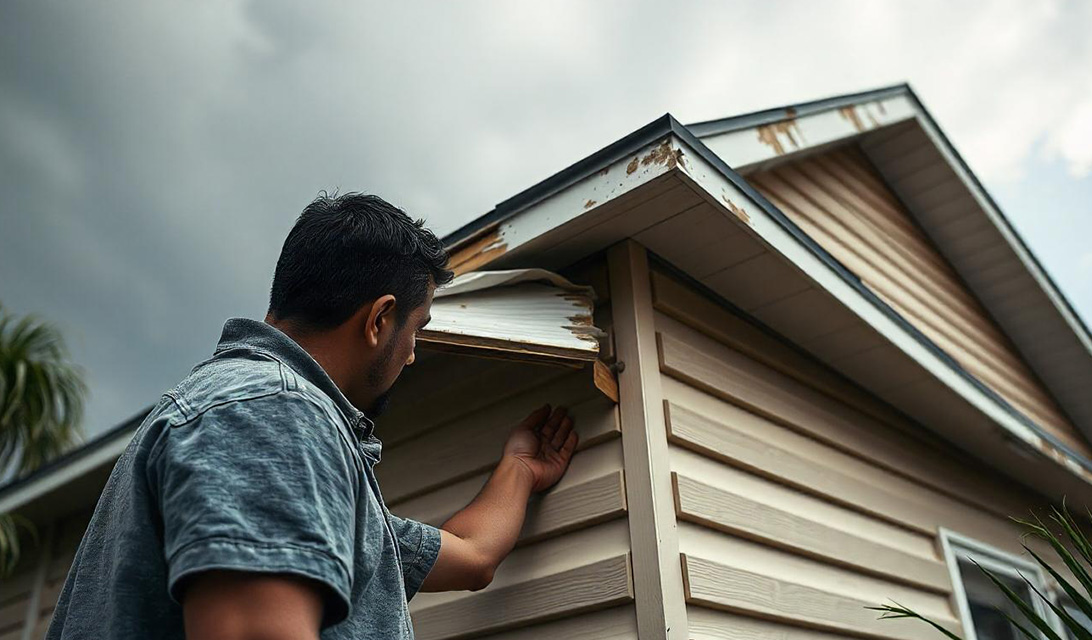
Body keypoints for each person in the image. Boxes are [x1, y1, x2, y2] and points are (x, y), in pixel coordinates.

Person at [45, 193, 579, 639]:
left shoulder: (284, 447)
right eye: (416, 328)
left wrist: (520, 468)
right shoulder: (273, 416)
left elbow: (472, 556)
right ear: (379, 320)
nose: (412, 353)